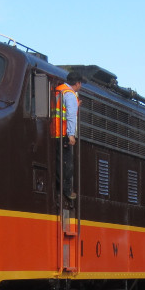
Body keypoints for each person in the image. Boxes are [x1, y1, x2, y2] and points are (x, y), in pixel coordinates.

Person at [52, 72, 83, 201]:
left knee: (59, 161)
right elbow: (70, 116)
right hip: (63, 133)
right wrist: (71, 135)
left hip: (54, 130)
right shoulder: (69, 95)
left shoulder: (58, 90)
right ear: (77, 84)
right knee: (67, 164)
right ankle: (66, 190)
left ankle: (60, 187)